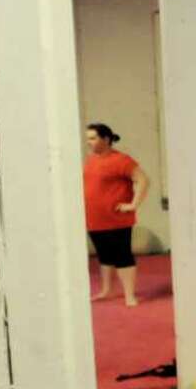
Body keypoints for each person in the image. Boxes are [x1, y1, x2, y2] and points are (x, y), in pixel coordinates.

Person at [83, 122, 149, 306]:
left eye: (93, 138)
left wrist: (133, 204)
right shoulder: (91, 160)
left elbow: (143, 180)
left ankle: (129, 295)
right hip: (95, 218)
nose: (88, 142)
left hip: (116, 219)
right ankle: (106, 290)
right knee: (104, 256)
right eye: (87, 138)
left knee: (122, 256)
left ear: (106, 139)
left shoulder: (122, 160)